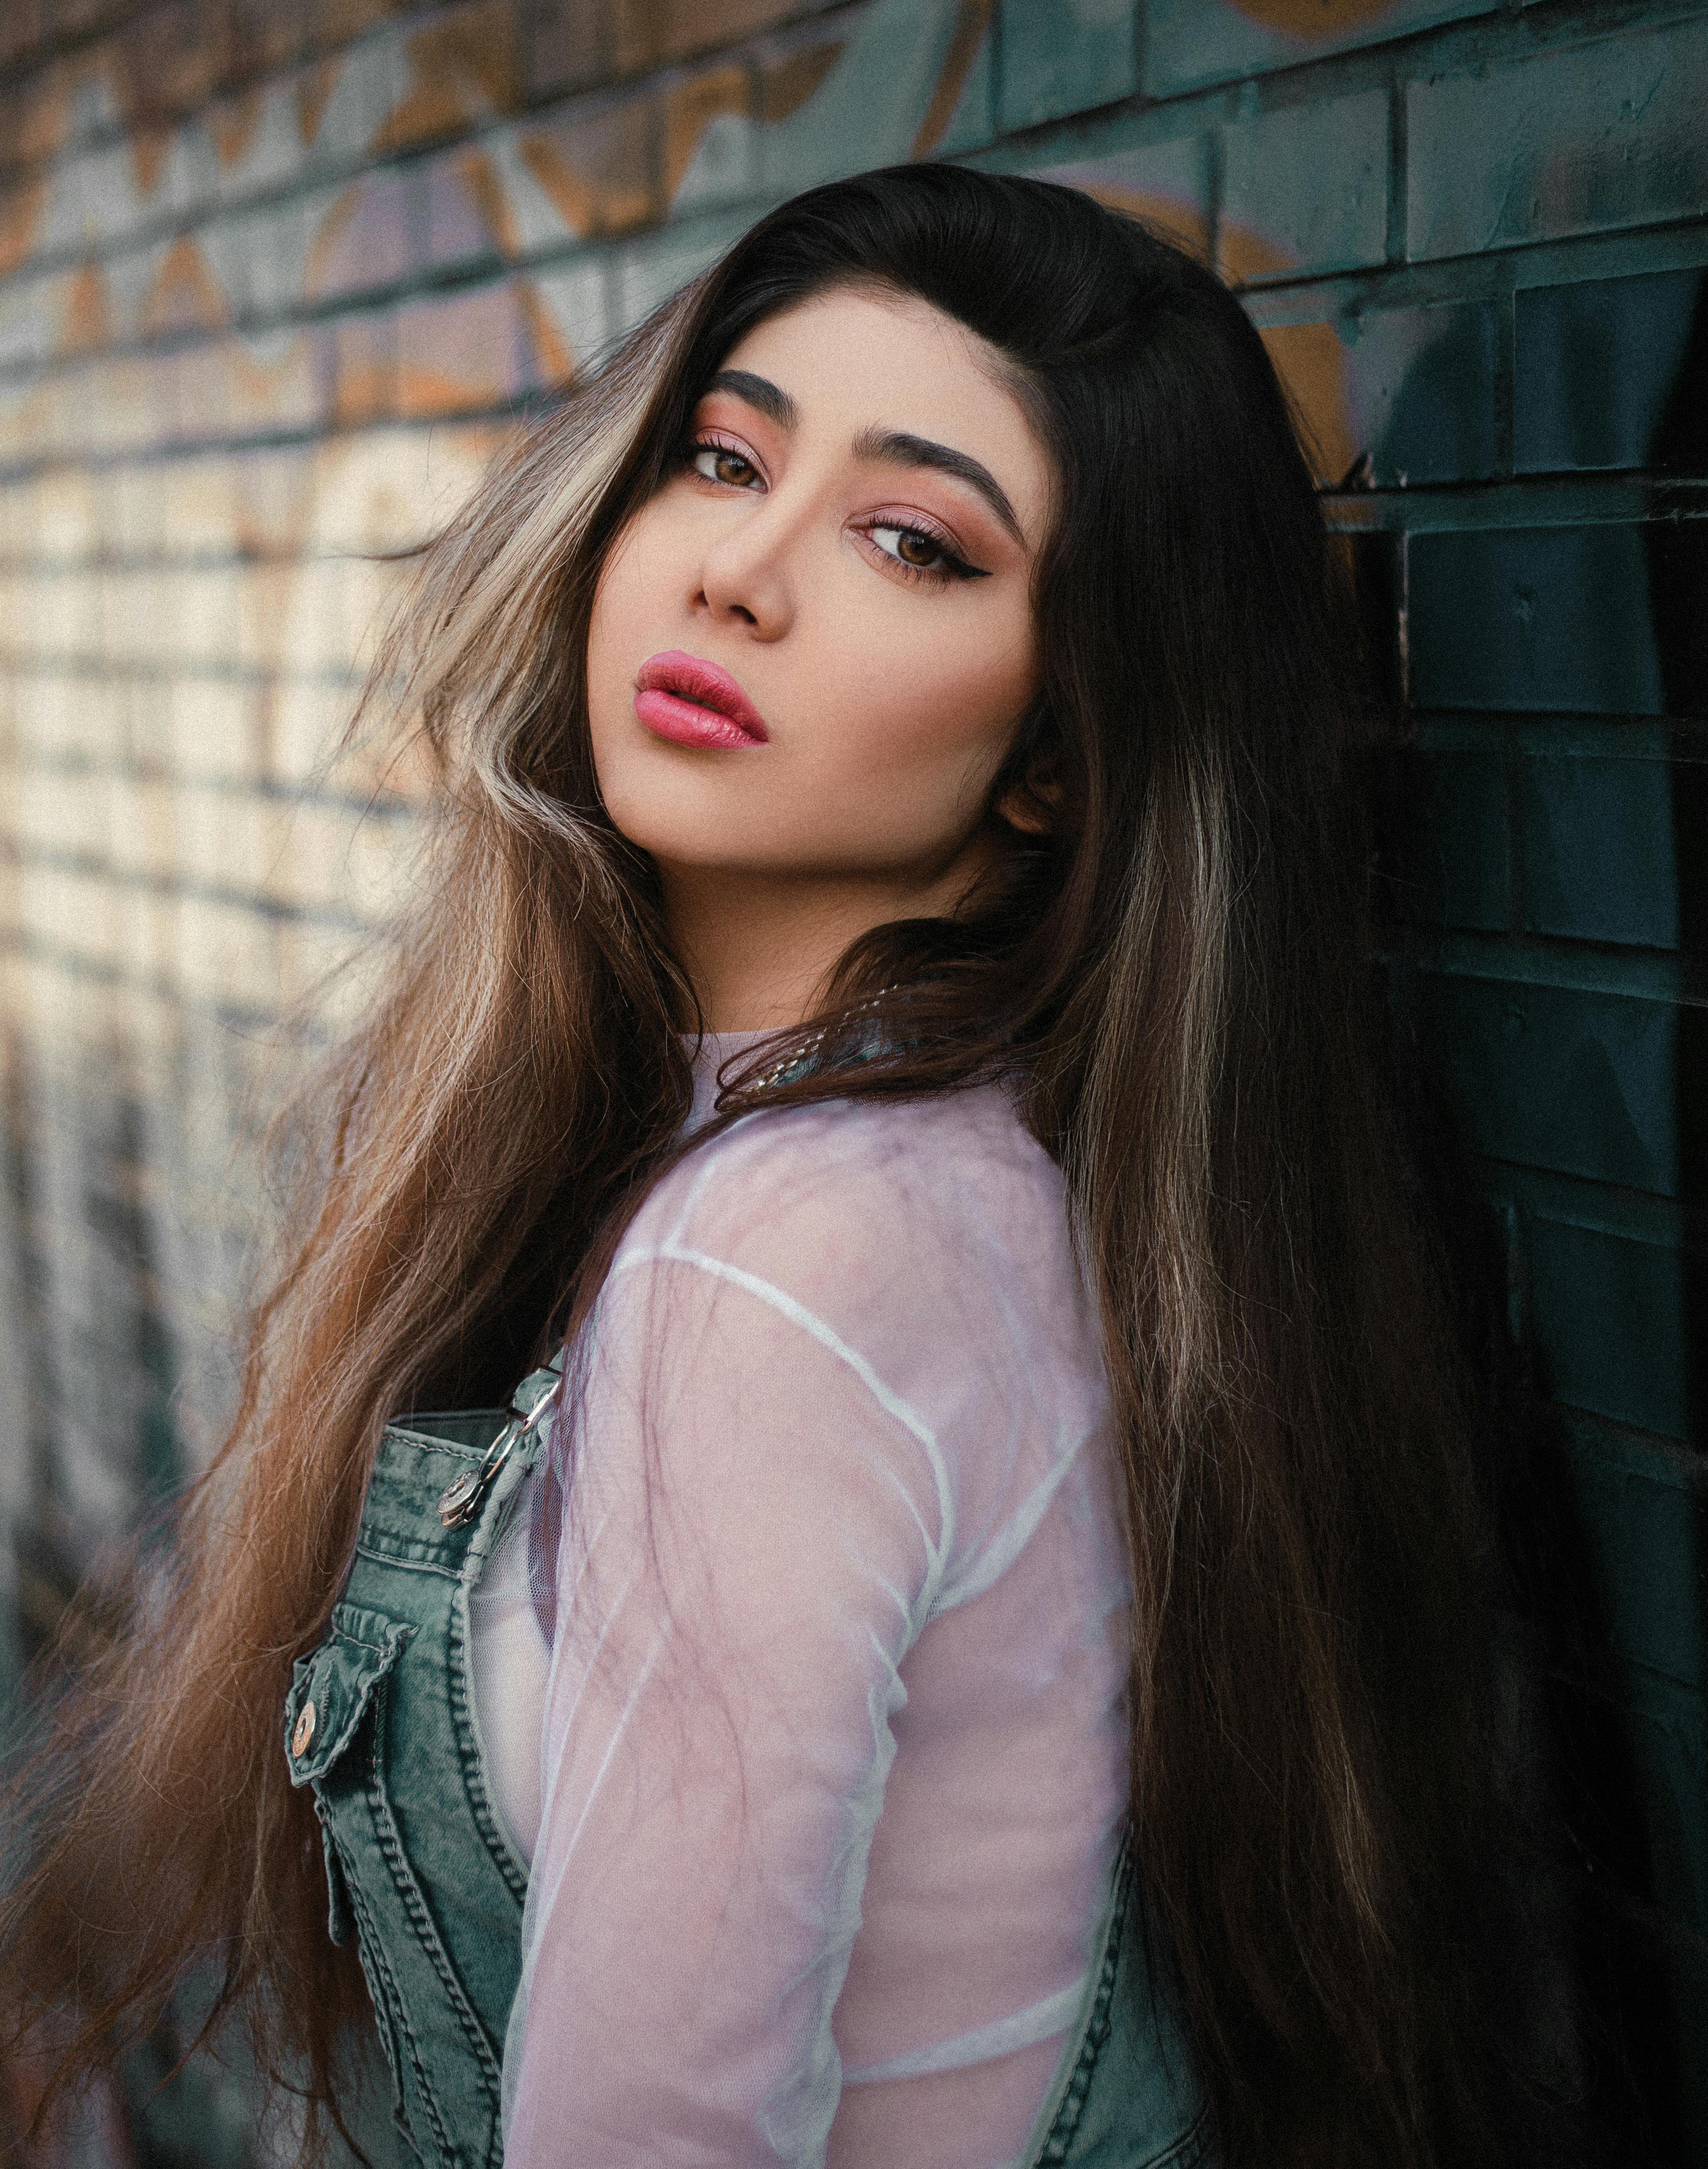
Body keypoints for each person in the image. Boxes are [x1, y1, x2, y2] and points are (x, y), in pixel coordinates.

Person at [2, 163, 1501, 2169]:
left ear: (1058, 754)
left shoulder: (793, 1252)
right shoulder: (934, 1173)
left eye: (911, 539)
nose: (740, 571)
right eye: (721, 458)